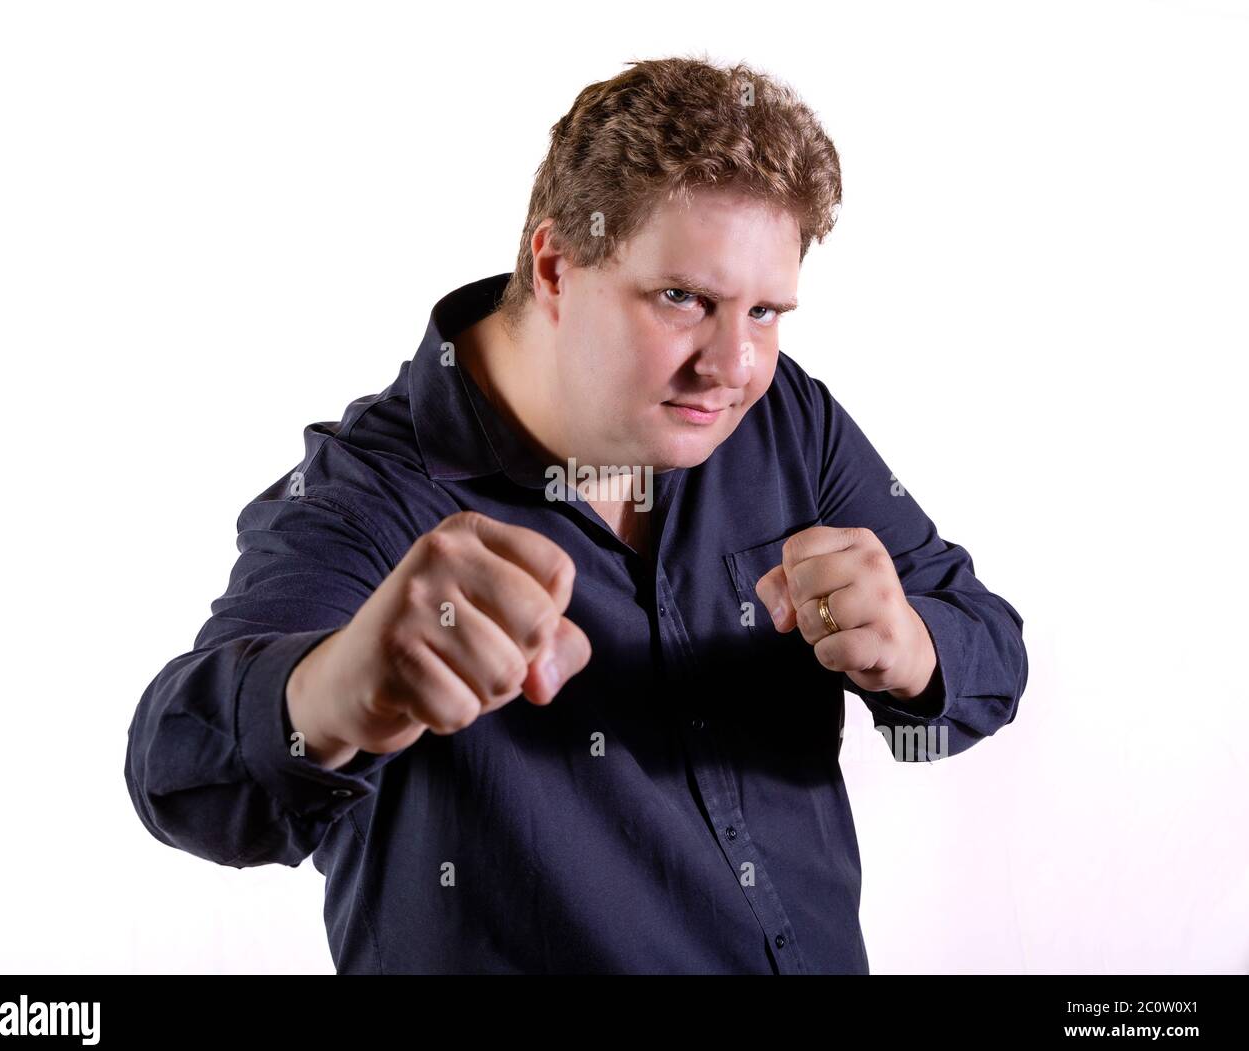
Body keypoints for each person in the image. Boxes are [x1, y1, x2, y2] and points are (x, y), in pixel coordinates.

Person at [124, 55, 1028, 974]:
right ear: (556, 263)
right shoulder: (374, 492)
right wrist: (337, 688)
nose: (733, 365)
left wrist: (914, 653)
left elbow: (992, 658)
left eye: (765, 310)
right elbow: (179, 772)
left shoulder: (785, 419)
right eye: (685, 298)